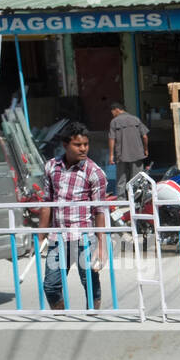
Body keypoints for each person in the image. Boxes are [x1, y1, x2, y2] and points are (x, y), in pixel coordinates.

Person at [39, 123, 108, 310]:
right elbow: (47, 203)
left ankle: (92, 319)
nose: (83, 148)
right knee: (51, 286)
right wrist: (40, 237)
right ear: (65, 144)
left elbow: (100, 210)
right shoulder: (51, 167)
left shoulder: (94, 173)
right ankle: (62, 319)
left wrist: (101, 247)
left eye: (86, 144)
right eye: (78, 145)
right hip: (58, 237)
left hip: (84, 238)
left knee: (90, 284)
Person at [107, 100, 150, 199]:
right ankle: (136, 199)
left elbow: (111, 139)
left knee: (121, 179)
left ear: (116, 110)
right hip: (137, 154)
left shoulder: (114, 122)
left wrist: (111, 155)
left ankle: (121, 200)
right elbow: (145, 137)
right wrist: (146, 149)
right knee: (137, 178)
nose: (112, 115)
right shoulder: (136, 119)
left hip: (122, 155)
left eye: (112, 112)